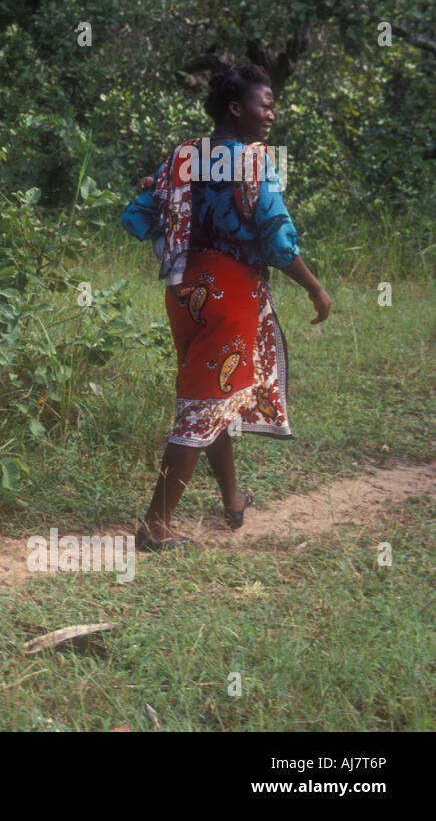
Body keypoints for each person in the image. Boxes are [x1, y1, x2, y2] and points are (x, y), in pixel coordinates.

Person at [122, 64, 331, 551]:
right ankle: (155, 525)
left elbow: (136, 220)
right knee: (203, 401)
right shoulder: (255, 161)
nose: (271, 114)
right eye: (266, 104)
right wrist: (315, 288)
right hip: (230, 293)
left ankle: (233, 496)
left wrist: (164, 192)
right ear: (237, 108)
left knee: (211, 392)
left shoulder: (182, 156)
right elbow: (278, 242)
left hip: (183, 290)